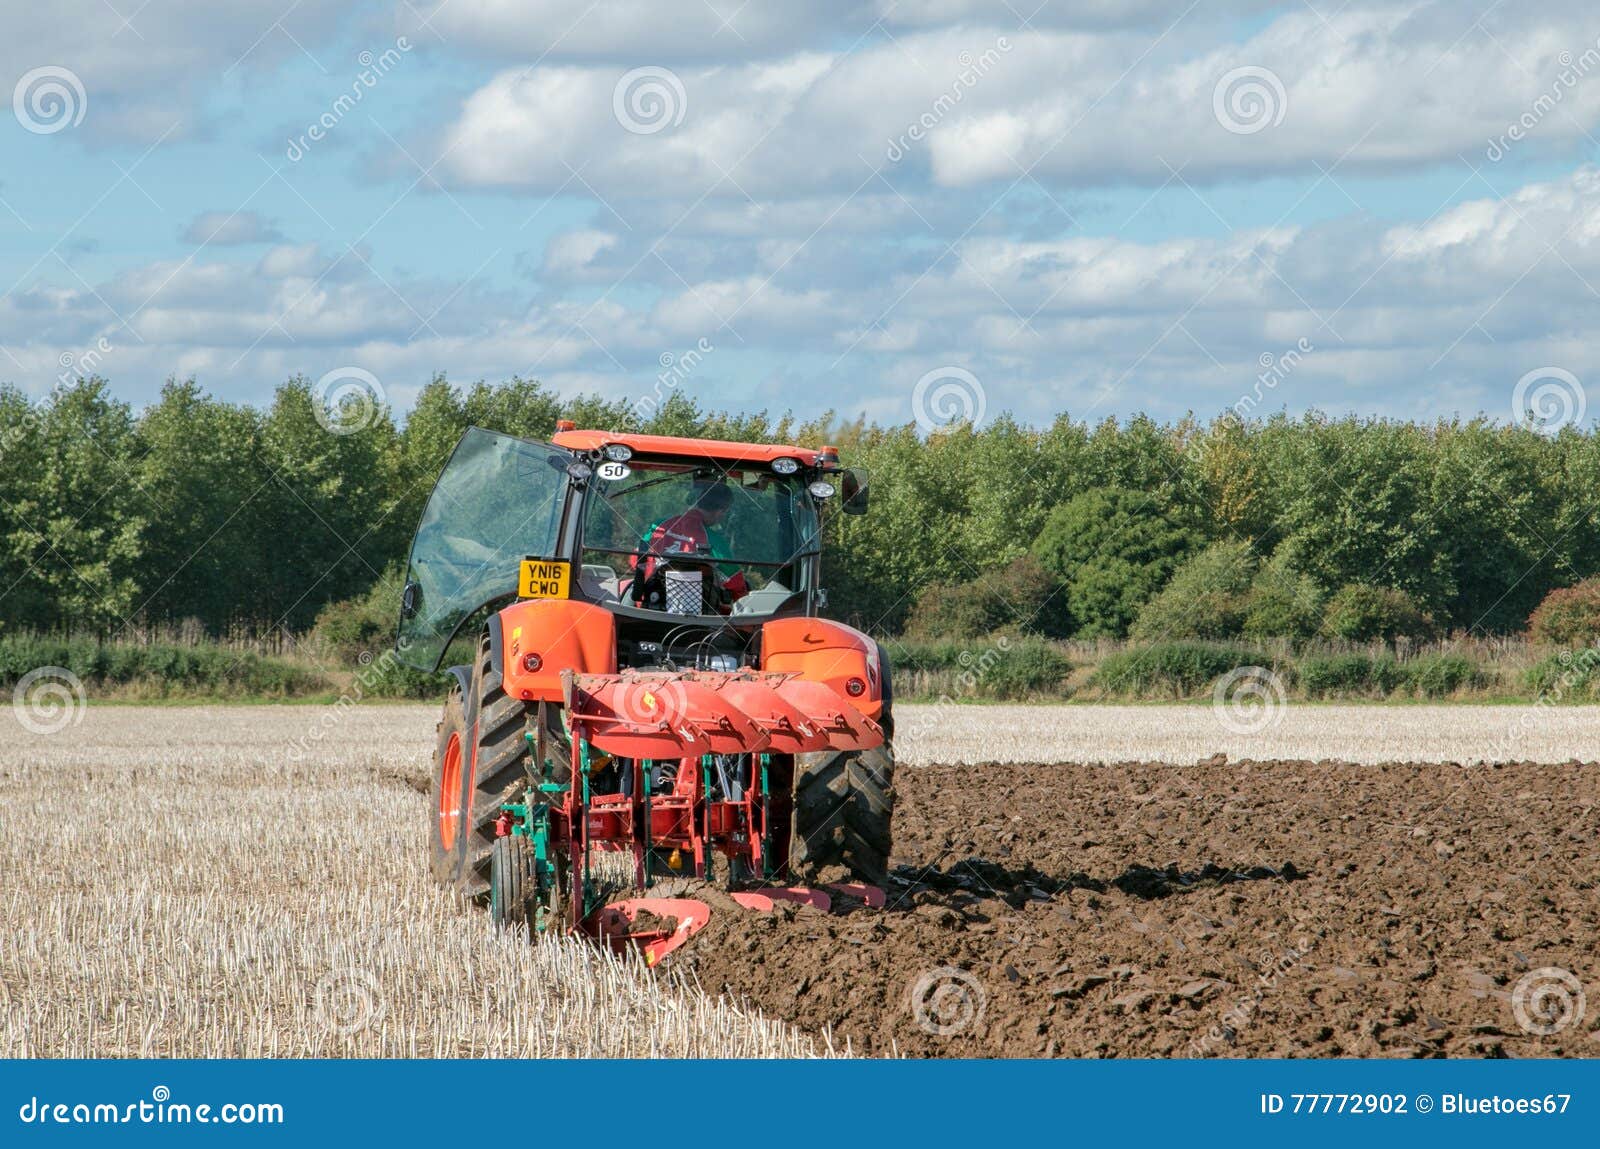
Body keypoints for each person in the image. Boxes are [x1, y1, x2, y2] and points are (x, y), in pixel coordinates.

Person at [633, 482, 749, 604]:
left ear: (699, 501)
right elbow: (736, 585)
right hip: (701, 614)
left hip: (651, 604)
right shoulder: (716, 542)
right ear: (720, 511)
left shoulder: (659, 526)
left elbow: (636, 560)